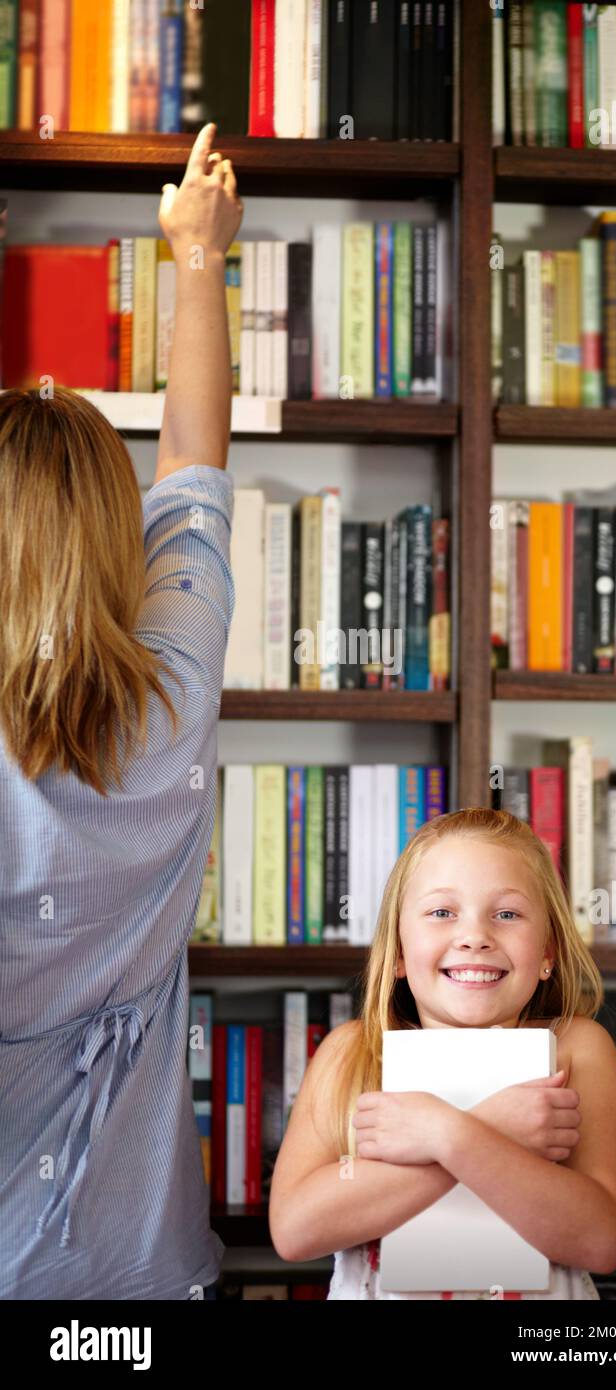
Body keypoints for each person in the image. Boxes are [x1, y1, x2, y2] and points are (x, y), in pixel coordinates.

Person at [0, 123, 244, 1299]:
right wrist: (197, 257)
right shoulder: (172, 695)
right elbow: (195, 462)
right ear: (117, 544)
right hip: (143, 1279)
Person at [269, 807, 616, 1300]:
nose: (474, 937)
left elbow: (602, 1241)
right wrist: (490, 1127)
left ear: (548, 952)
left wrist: (449, 1134)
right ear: (399, 951)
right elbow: (295, 1233)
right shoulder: (353, 1053)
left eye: (506, 914)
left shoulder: (575, 1050)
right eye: (442, 913)